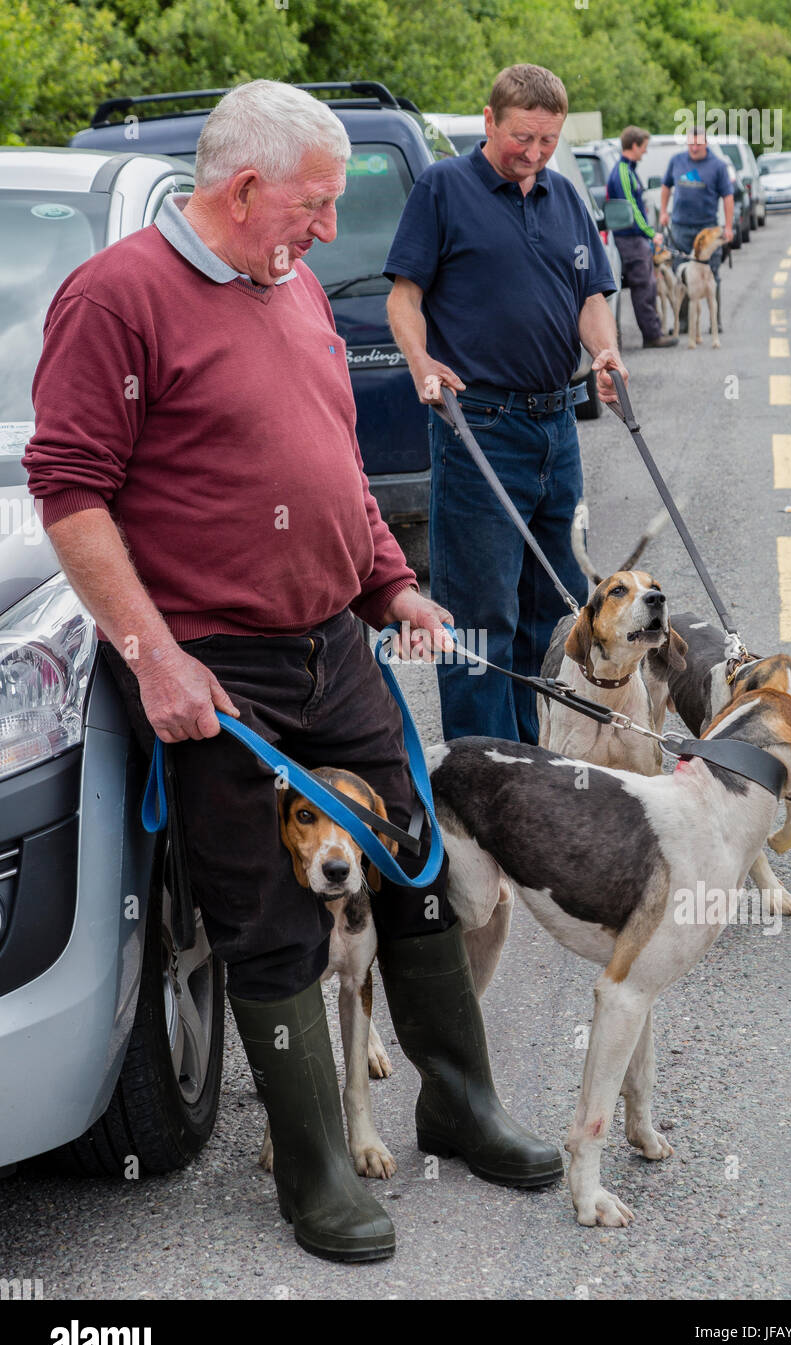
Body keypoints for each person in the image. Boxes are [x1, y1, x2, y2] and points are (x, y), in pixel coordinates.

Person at [23, 80, 562, 1265]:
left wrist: (388, 583)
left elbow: (337, 468)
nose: (330, 232)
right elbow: (69, 490)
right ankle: (313, 1170)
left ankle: (456, 1105)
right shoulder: (116, 300)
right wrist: (152, 654)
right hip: (216, 668)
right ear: (243, 186)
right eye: (316, 206)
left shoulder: (293, 286)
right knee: (269, 924)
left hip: (333, 646)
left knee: (415, 863)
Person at [384, 64, 627, 745]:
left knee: (552, 607)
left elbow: (591, 297)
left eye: (548, 140)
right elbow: (403, 298)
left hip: (558, 428)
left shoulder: (565, 196)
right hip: (480, 427)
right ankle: (482, 778)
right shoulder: (443, 188)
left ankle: (536, 764)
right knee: (481, 613)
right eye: (523, 136)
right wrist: (420, 361)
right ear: (489, 120)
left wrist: (604, 352)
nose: (535, 153)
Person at [606, 126, 678, 349]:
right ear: (634, 146)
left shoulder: (629, 170)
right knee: (644, 287)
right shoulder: (623, 172)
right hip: (631, 240)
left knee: (648, 285)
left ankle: (654, 330)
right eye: (644, 148)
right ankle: (652, 335)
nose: (645, 153)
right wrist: (650, 233)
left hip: (636, 239)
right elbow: (631, 208)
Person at [660, 127, 733, 285]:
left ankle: (714, 308)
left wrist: (728, 226)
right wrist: (663, 212)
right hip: (680, 226)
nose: (694, 148)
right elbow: (666, 186)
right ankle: (684, 308)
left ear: (706, 143)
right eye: (691, 144)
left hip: (707, 228)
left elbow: (728, 196)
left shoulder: (718, 166)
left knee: (710, 273)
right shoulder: (676, 160)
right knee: (681, 273)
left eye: (698, 144)